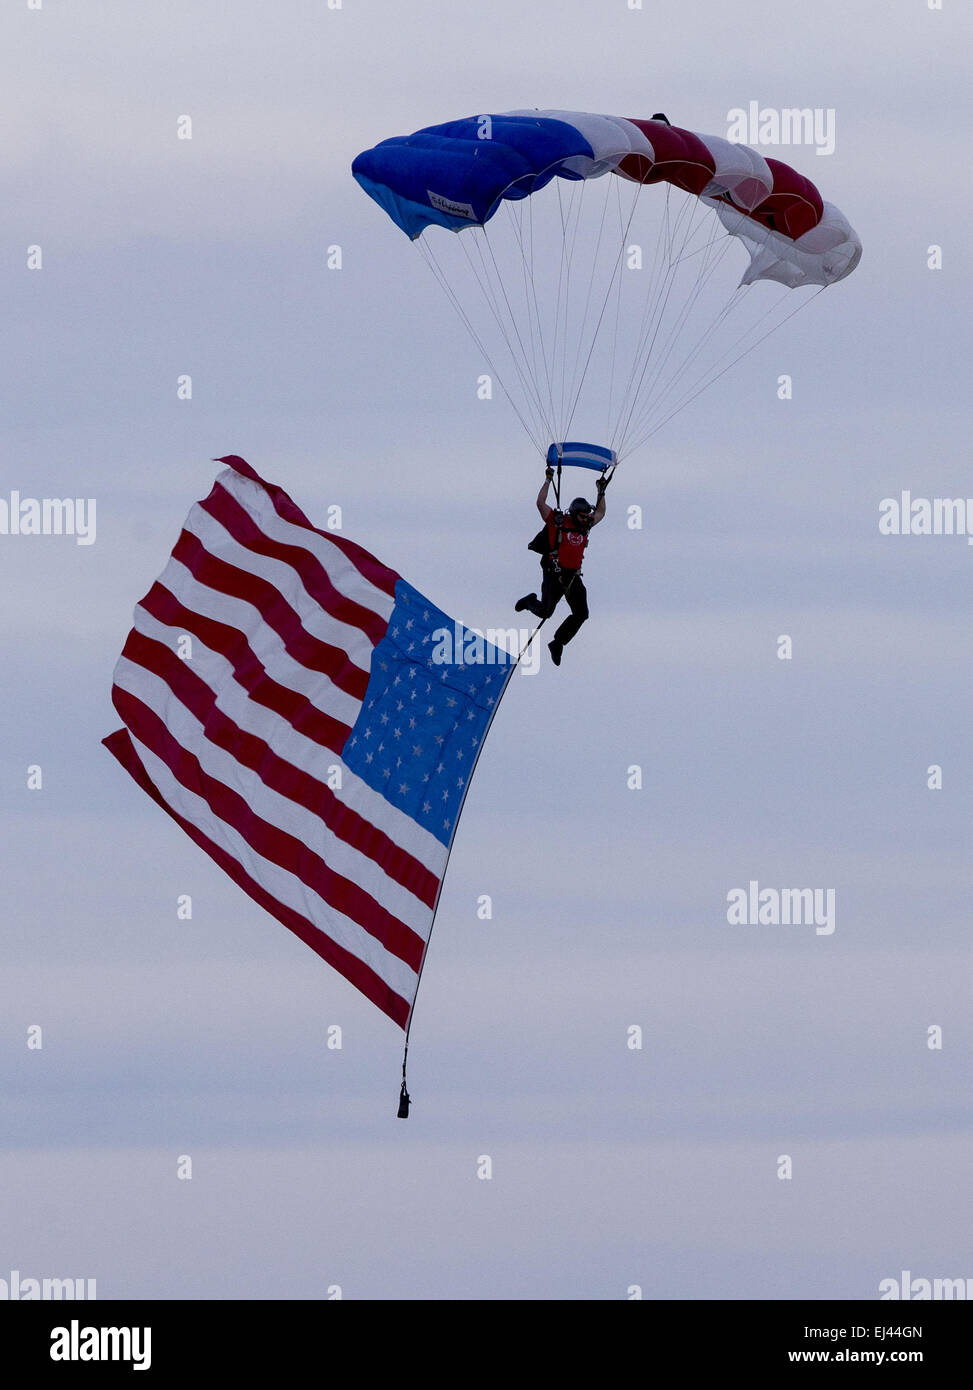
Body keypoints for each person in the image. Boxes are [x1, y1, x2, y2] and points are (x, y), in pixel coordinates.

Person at [515, 465, 607, 666]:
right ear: (574, 514)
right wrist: (548, 479)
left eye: (587, 516)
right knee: (547, 612)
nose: (587, 518)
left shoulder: (587, 525)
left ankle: (557, 643)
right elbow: (540, 503)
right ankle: (530, 601)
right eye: (583, 516)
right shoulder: (557, 521)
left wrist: (601, 490)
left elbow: (601, 512)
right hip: (553, 573)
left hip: (573, 576)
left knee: (582, 613)